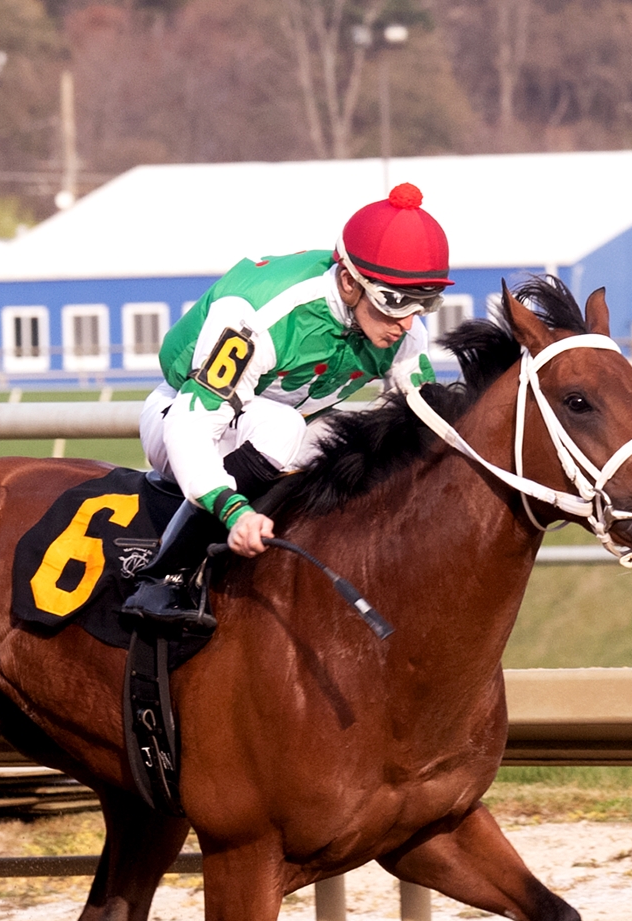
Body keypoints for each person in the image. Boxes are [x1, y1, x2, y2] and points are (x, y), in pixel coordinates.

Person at [122, 182, 452, 631]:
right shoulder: (258, 316)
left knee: (360, 439)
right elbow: (191, 424)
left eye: (424, 302)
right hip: (182, 419)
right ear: (350, 282)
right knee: (282, 427)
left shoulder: (403, 333)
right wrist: (234, 512)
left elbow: (426, 417)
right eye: (394, 302)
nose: (408, 322)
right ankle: (167, 574)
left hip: (270, 432)